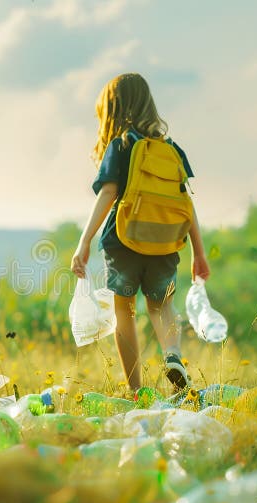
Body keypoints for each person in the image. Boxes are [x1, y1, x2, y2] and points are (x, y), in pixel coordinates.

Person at [71, 73, 210, 392]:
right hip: (165, 244)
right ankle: (172, 355)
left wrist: (84, 242)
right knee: (163, 307)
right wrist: (198, 253)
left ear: (113, 109)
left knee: (125, 311)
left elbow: (108, 194)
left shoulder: (122, 145)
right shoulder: (170, 148)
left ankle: (136, 390)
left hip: (125, 241)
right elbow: (185, 204)